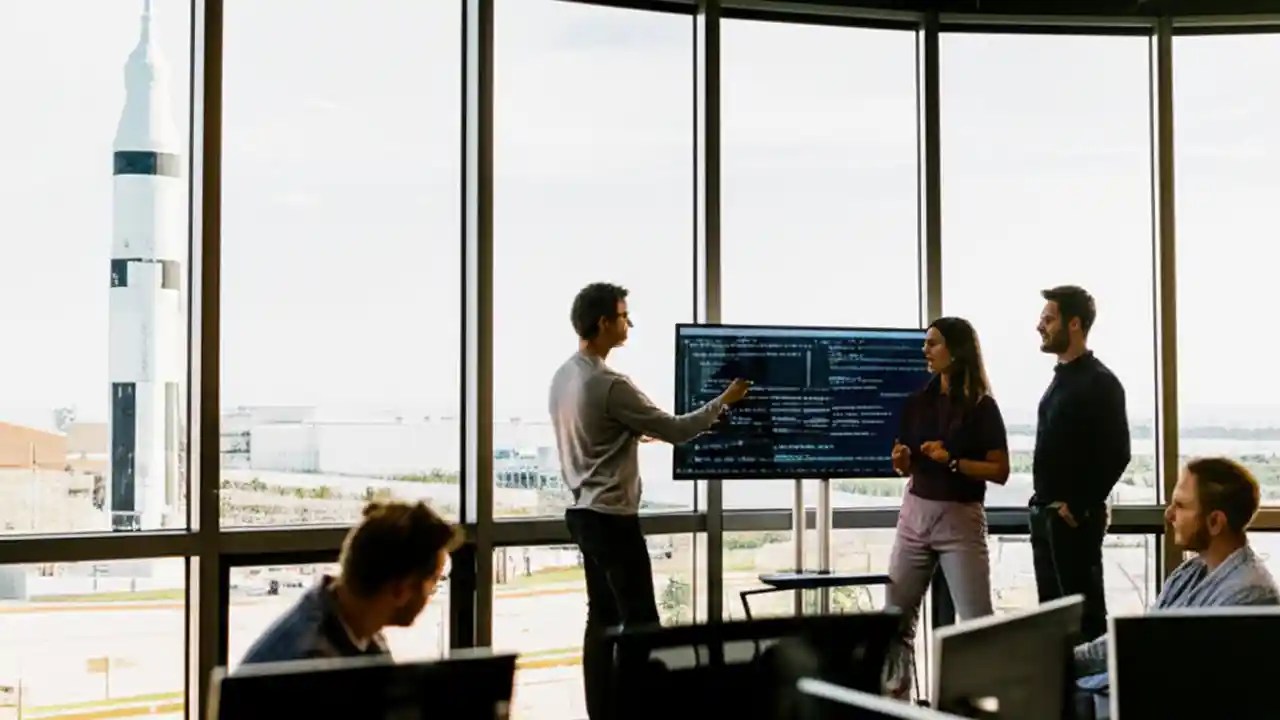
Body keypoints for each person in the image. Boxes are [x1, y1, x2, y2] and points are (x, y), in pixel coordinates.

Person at [548, 282, 750, 720]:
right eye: (624, 316)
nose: (629, 324)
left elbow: (598, 433)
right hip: (612, 518)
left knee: (602, 619)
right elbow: (675, 429)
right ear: (604, 322)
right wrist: (724, 400)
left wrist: (637, 432)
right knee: (642, 625)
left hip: (582, 514)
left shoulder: (564, 377)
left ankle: (602, 711)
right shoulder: (610, 383)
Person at [1074, 457, 1279, 695]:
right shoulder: (1191, 571)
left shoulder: (1249, 595)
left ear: (1215, 522)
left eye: (1180, 506)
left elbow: (1184, 679)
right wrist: (1067, 660)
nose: (1169, 514)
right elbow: (1142, 638)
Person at [883, 317, 1010, 699]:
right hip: (914, 516)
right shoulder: (917, 402)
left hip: (960, 520)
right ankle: (895, 705)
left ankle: (982, 707)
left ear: (956, 350)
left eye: (933, 343)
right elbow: (906, 464)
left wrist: (952, 460)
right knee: (894, 622)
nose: (925, 350)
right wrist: (901, 461)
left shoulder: (982, 407)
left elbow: (1000, 471)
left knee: (976, 625)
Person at [239, 500, 462, 665]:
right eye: (433, 581)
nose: (432, 592)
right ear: (400, 590)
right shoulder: (311, 665)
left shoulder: (354, 627)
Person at [1031, 285, 1130, 642]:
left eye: (1048, 319)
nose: (1039, 326)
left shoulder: (1100, 382)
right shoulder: (1062, 378)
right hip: (1048, 516)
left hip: (1071, 520)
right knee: (1054, 625)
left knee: (1083, 624)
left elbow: (1118, 452)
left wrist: (1079, 505)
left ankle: (1093, 681)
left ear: (1074, 324)